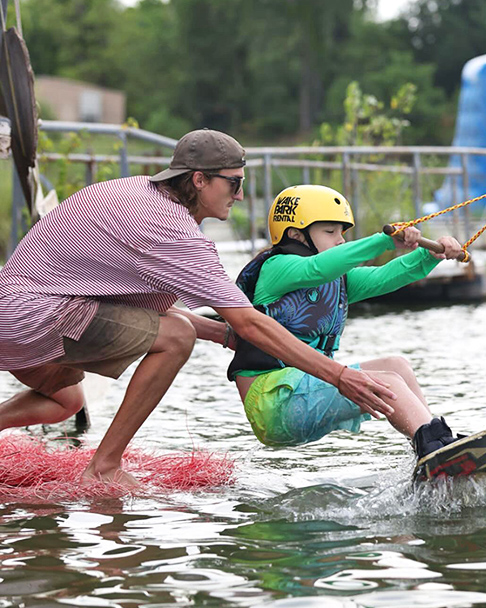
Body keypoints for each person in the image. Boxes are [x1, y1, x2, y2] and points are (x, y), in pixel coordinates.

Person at [0, 130, 395, 489]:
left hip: (15, 316)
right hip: (40, 319)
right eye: (234, 183)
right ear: (199, 180)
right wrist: (339, 375)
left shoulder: (134, 191)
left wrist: (224, 335)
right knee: (176, 339)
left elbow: (166, 313)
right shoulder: (173, 230)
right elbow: (246, 322)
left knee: (65, 403)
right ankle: (104, 467)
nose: (240, 195)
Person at [227, 184, 466, 462]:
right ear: (295, 235)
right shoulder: (277, 268)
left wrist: (429, 254)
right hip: (272, 402)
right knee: (386, 381)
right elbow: (316, 268)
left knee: (396, 367)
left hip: (308, 388)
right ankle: (435, 450)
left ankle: (434, 447)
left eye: (342, 233)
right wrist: (384, 241)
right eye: (330, 232)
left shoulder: (339, 280)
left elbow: (384, 277)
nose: (340, 240)